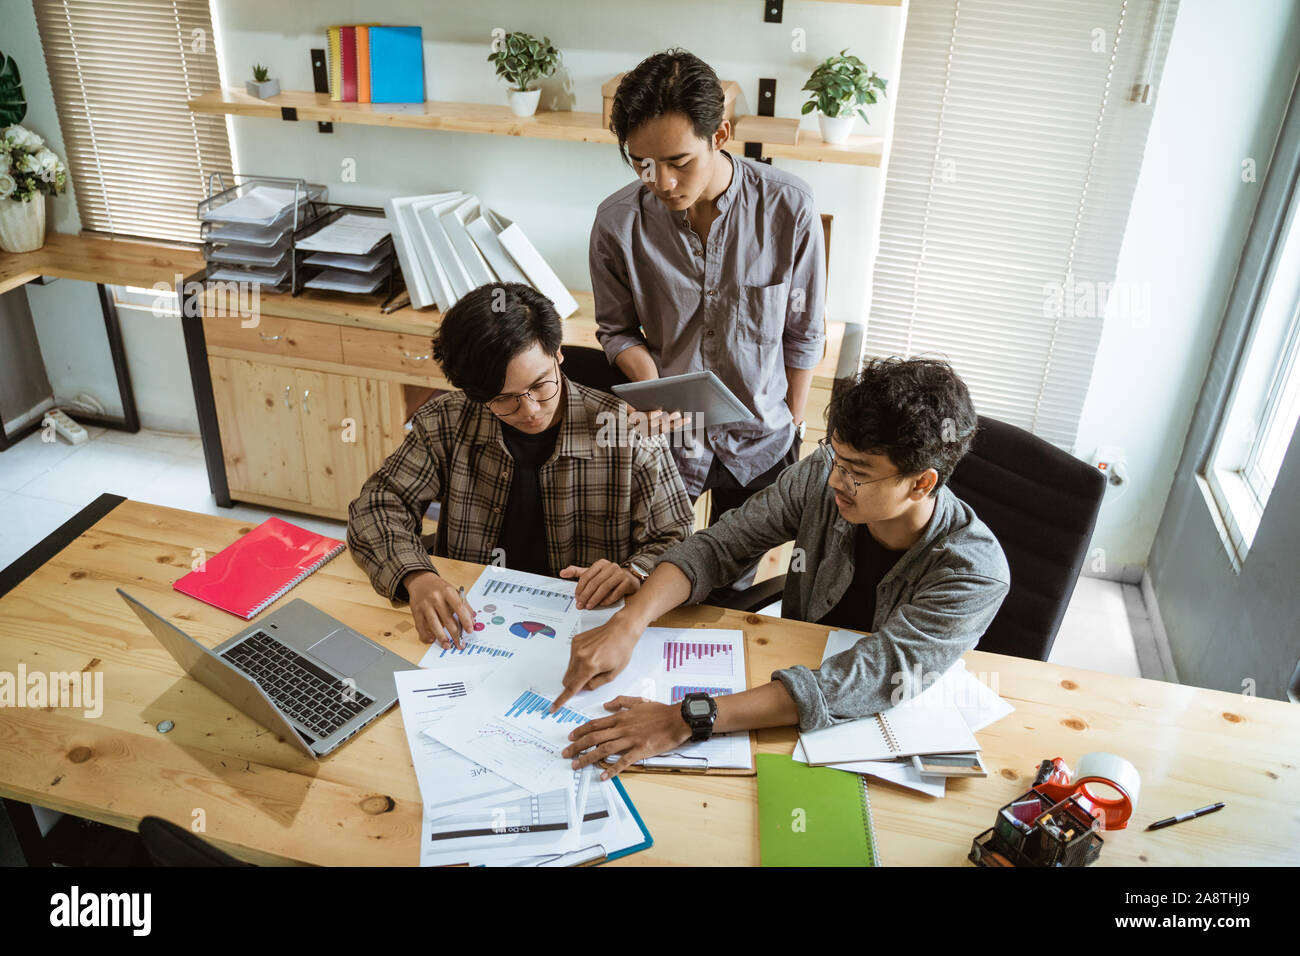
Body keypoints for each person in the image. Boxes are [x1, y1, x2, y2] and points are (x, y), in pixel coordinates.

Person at [552, 357, 1011, 778]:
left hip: (868, 732)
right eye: (835, 456)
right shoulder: (821, 476)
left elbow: (874, 676)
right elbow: (720, 545)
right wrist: (629, 623)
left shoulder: (973, 571)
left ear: (922, 483)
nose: (836, 479)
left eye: (858, 471)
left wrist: (686, 717)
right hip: (784, 686)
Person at [347, 283, 695, 648]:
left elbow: (679, 538)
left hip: (587, 627)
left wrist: (634, 571)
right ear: (475, 394)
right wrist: (417, 576)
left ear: (557, 354)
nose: (529, 410)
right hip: (473, 621)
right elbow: (377, 504)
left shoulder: (627, 431)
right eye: (504, 399)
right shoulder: (446, 422)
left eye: (540, 385)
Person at [590, 48, 826, 532]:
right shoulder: (617, 223)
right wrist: (650, 385)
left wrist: (794, 424)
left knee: (733, 594)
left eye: (679, 161)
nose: (663, 181)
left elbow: (802, 333)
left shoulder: (789, 208)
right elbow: (616, 330)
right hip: (668, 440)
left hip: (762, 442)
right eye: (643, 165)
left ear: (719, 136)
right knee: (652, 571)